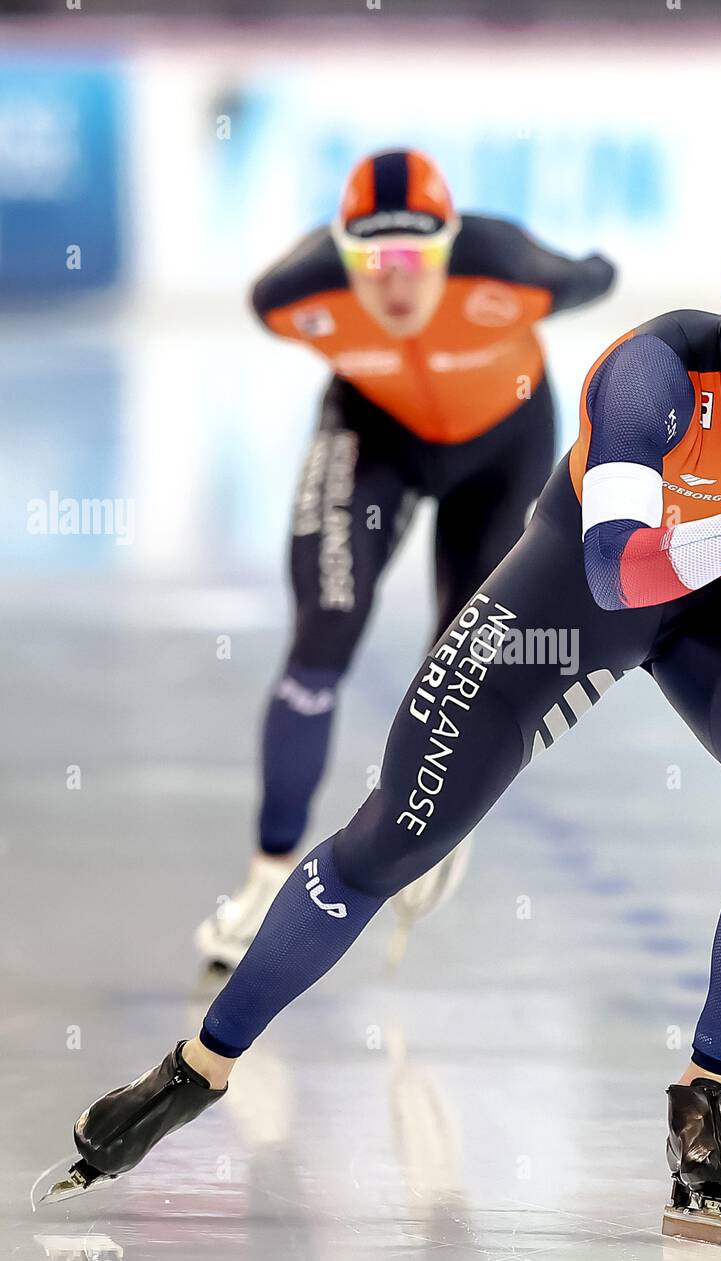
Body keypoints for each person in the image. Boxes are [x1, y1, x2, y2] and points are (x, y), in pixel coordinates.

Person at [47, 214, 721, 1242]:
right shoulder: (648, 376)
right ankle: (195, 1068)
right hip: (582, 584)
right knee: (394, 834)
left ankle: (707, 1090)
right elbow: (621, 570)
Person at [196, 147, 616, 968]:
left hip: (502, 449)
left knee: (462, 661)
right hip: (374, 435)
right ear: (341, 255)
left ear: (448, 248)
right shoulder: (292, 295)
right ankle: (266, 877)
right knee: (324, 634)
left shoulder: (510, 268)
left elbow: (595, 273)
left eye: (414, 260)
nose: (394, 285)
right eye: (371, 263)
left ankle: (440, 815)